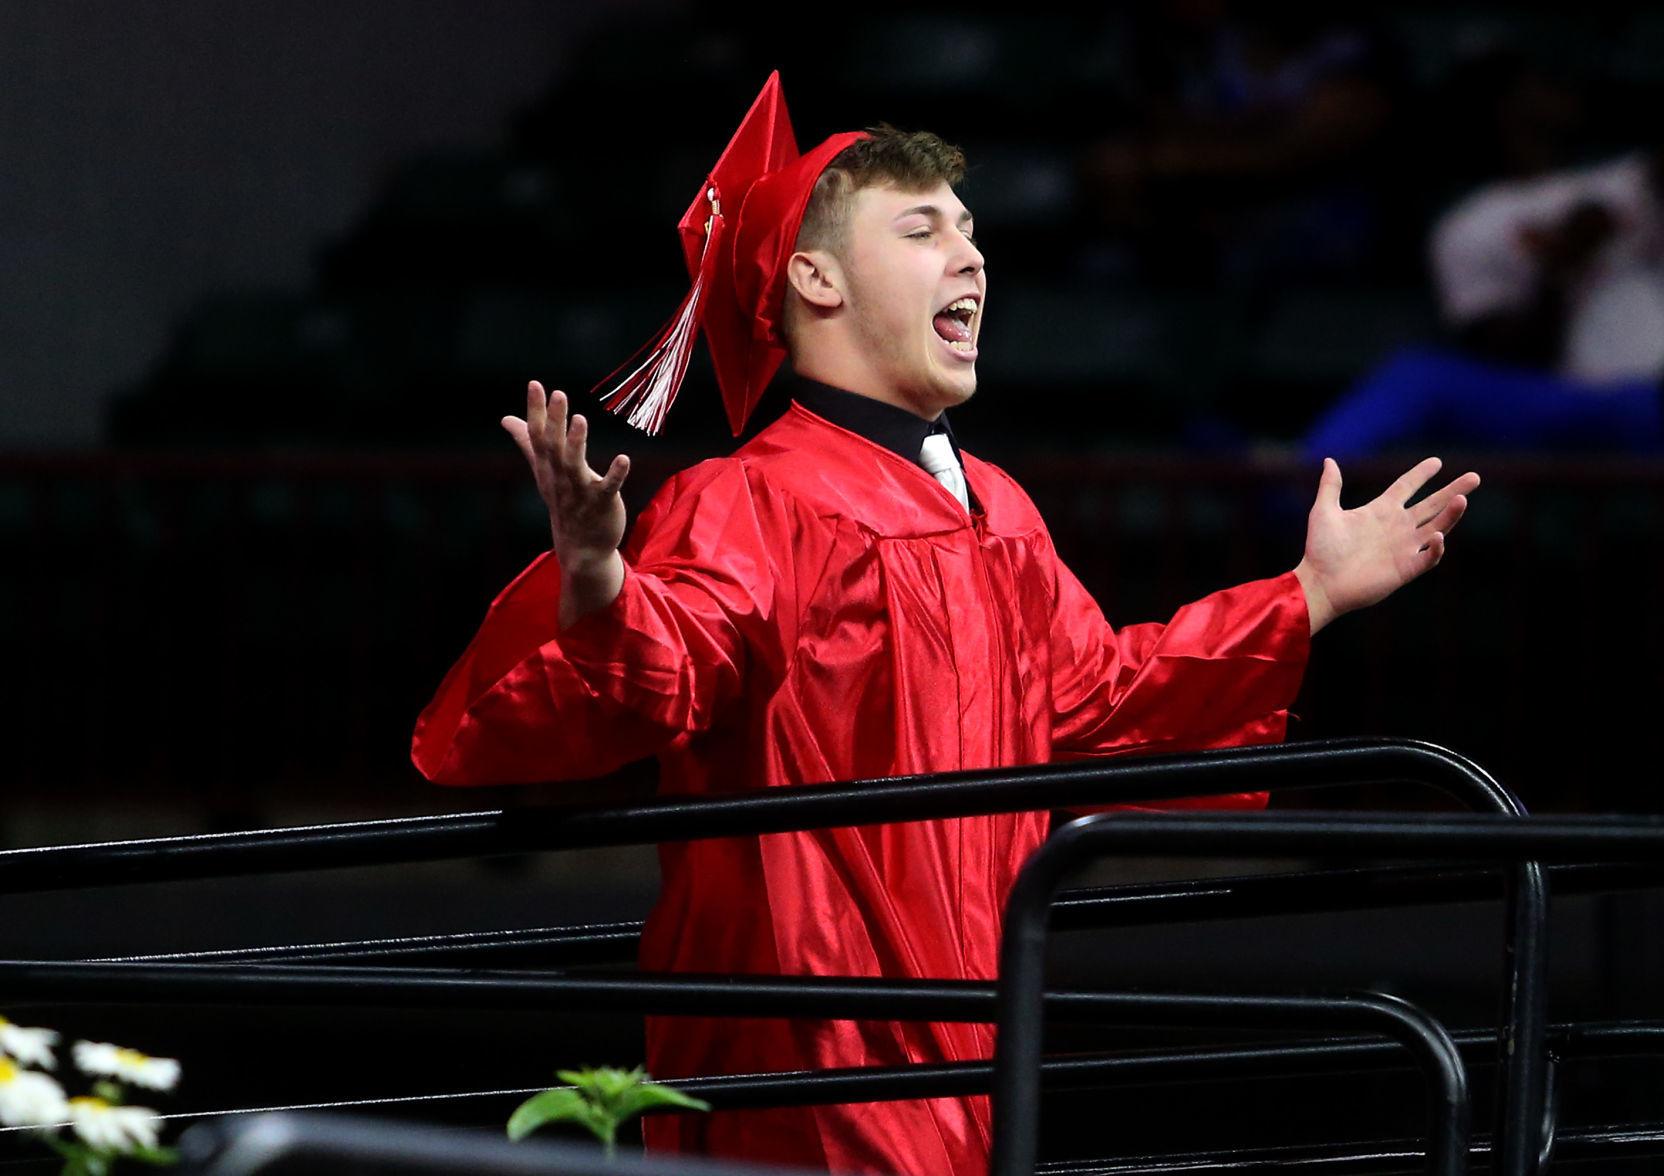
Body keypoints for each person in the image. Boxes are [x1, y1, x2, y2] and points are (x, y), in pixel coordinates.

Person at [411, 73, 1478, 1175]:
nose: (971, 258)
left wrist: (1308, 594)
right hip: (814, 1035)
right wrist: (597, 576)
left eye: (970, 232)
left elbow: (1100, 700)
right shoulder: (750, 499)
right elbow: (664, 669)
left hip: (972, 1017)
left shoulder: (998, 508)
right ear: (812, 278)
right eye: (922, 231)